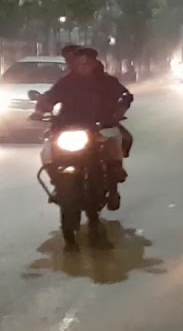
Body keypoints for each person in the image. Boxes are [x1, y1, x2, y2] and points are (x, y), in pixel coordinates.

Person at [34, 47, 133, 217]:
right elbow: (50, 97)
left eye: (86, 63)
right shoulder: (66, 82)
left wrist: (118, 111)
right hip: (69, 127)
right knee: (47, 150)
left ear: (93, 63)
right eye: (79, 63)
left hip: (99, 126)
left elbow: (124, 95)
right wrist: (41, 108)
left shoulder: (106, 81)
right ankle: (58, 184)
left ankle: (113, 180)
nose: (83, 66)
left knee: (115, 140)